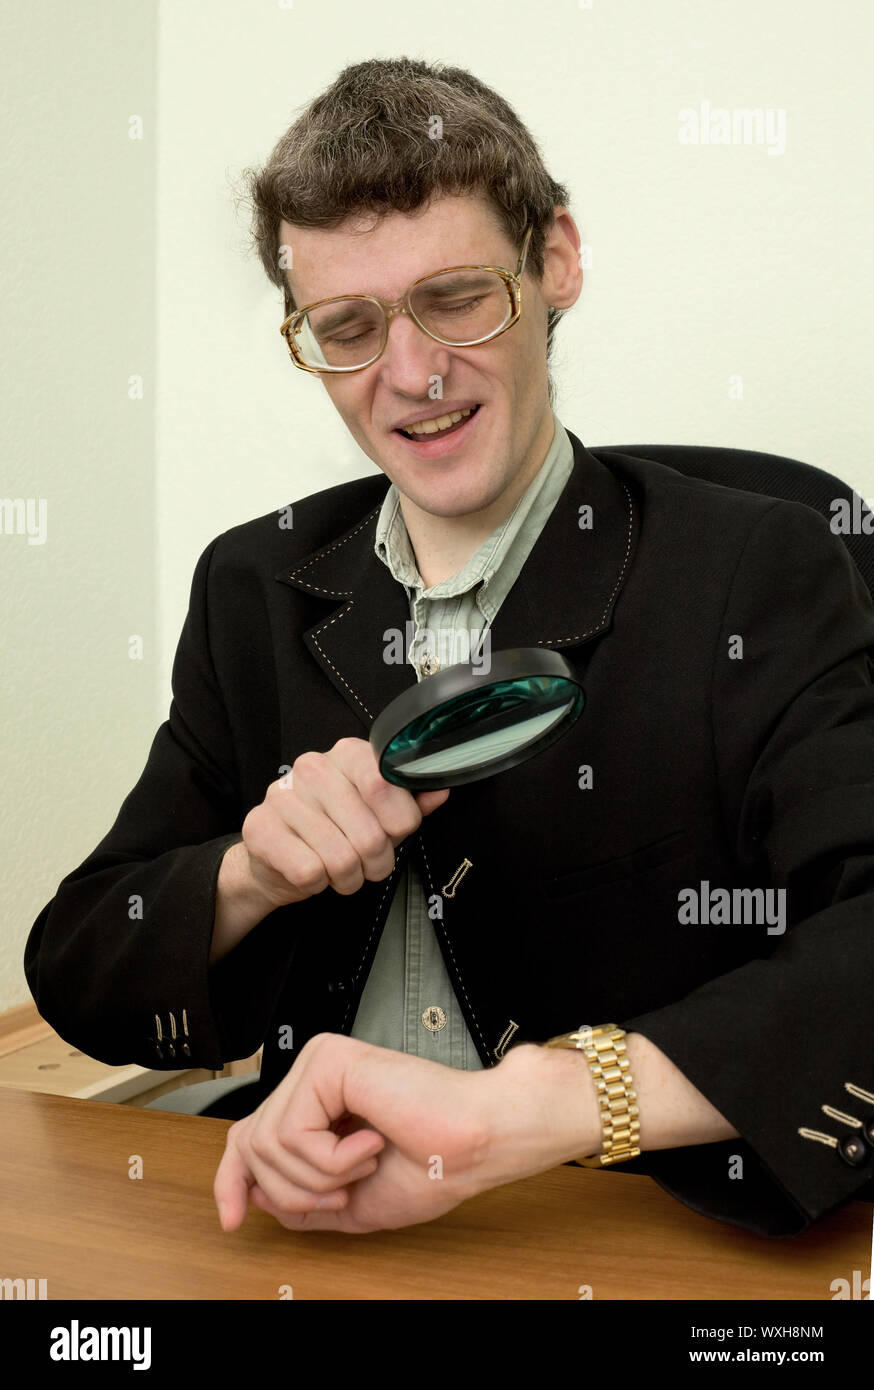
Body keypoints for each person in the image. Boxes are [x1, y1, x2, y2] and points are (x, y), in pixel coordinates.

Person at [25, 57, 874, 1240]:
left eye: (458, 297)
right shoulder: (252, 584)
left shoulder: (758, 567)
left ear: (556, 261)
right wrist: (247, 877)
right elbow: (78, 960)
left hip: (606, 1232)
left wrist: (549, 1102)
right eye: (349, 327)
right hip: (303, 1230)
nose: (411, 374)